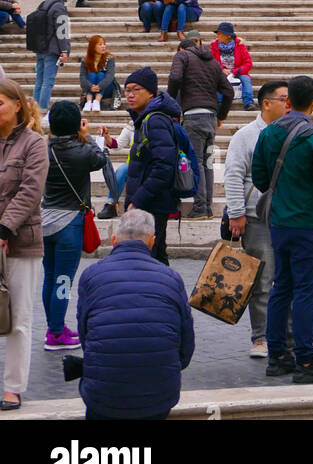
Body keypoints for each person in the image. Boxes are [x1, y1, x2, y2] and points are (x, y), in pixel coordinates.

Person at [251, 74, 313, 383]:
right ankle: (305, 361)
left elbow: (260, 180)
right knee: (305, 291)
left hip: (278, 223)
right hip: (307, 223)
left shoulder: (269, 133)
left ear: (288, 102)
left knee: (281, 287)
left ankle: (277, 356)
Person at [76, 207, 194, 421]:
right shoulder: (172, 278)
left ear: (113, 240)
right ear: (152, 241)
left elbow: (85, 334)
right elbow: (186, 346)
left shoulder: (90, 275)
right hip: (158, 395)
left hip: (103, 396)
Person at [223, 79, 290, 357]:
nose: (289, 104)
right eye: (283, 99)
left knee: (287, 278)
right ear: (266, 103)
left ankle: (289, 335)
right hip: (256, 216)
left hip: (287, 217)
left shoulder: (291, 131)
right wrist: (236, 213)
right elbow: (233, 175)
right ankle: (260, 337)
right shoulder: (245, 135)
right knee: (261, 281)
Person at [41, 101, 109, 349]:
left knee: (49, 278)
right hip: (69, 222)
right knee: (63, 281)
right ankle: (56, 333)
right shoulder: (83, 151)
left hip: (45, 219)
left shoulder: (44, 149)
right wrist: (88, 135)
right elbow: (101, 159)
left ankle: (54, 327)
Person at [0, 78, 48, 410]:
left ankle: (13, 386)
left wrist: (3, 229)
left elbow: (31, 191)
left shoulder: (34, 143)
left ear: (17, 105)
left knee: (18, 318)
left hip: (20, 242)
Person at [167, 35, 233, 219]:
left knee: (196, 162)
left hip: (193, 117)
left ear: (181, 49)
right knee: (208, 163)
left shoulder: (183, 56)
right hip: (211, 119)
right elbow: (229, 91)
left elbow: (175, 77)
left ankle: (200, 208)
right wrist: (221, 115)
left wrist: (171, 103)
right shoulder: (212, 62)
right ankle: (207, 207)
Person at [124, 67, 185, 264]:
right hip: (150, 201)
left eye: (136, 90)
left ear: (151, 92)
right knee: (155, 257)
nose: (130, 95)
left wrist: (138, 199)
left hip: (152, 203)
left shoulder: (155, 120)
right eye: (127, 90)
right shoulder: (146, 119)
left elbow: (164, 165)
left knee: (150, 259)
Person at [31, 0, 70, 112]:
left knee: (39, 81)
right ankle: (42, 111)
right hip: (52, 50)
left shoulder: (43, 4)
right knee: (48, 81)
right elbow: (62, 31)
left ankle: (34, 110)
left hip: (40, 48)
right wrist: (64, 50)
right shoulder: (59, 7)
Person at [210, 22, 254, 109]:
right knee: (217, 79)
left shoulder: (240, 46)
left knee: (246, 79)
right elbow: (212, 61)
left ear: (228, 36)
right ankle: (219, 102)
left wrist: (236, 71)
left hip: (238, 71)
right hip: (222, 72)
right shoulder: (214, 46)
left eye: (219, 34)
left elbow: (248, 63)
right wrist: (221, 69)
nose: (217, 36)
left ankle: (248, 103)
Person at [80, 36, 117, 111]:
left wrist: (99, 86)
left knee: (101, 75)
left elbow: (110, 77)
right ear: (93, 47)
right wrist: (90, 87)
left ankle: (97, 101)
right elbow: (82, 78)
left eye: (104, 44)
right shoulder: (85, 60)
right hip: (91, 89)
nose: (103, 46)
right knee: (91, 75)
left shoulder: (109, 58)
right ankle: (89, 102)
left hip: (107, 88)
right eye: (100, 44)